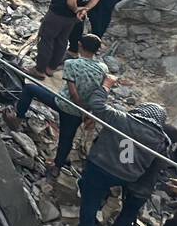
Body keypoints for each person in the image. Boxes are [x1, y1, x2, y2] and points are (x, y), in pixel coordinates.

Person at [6, 34, 110, 174]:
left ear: (79, 45)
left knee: (30, 89)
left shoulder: (72, 64)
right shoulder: (103, 68)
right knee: (67, 137)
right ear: (97, 50)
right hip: (80, 112)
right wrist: (86, 110)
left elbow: (73, 93)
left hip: (64, 103)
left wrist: (79, 105)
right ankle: (57, 167)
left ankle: (18, 118)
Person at [77, 103, 171, 226]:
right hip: (130, 177)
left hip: (101, 165)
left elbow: (99, 107)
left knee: (91, 198)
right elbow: (158, 166)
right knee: (128, 212)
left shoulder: (121, 118)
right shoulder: (161, 141)